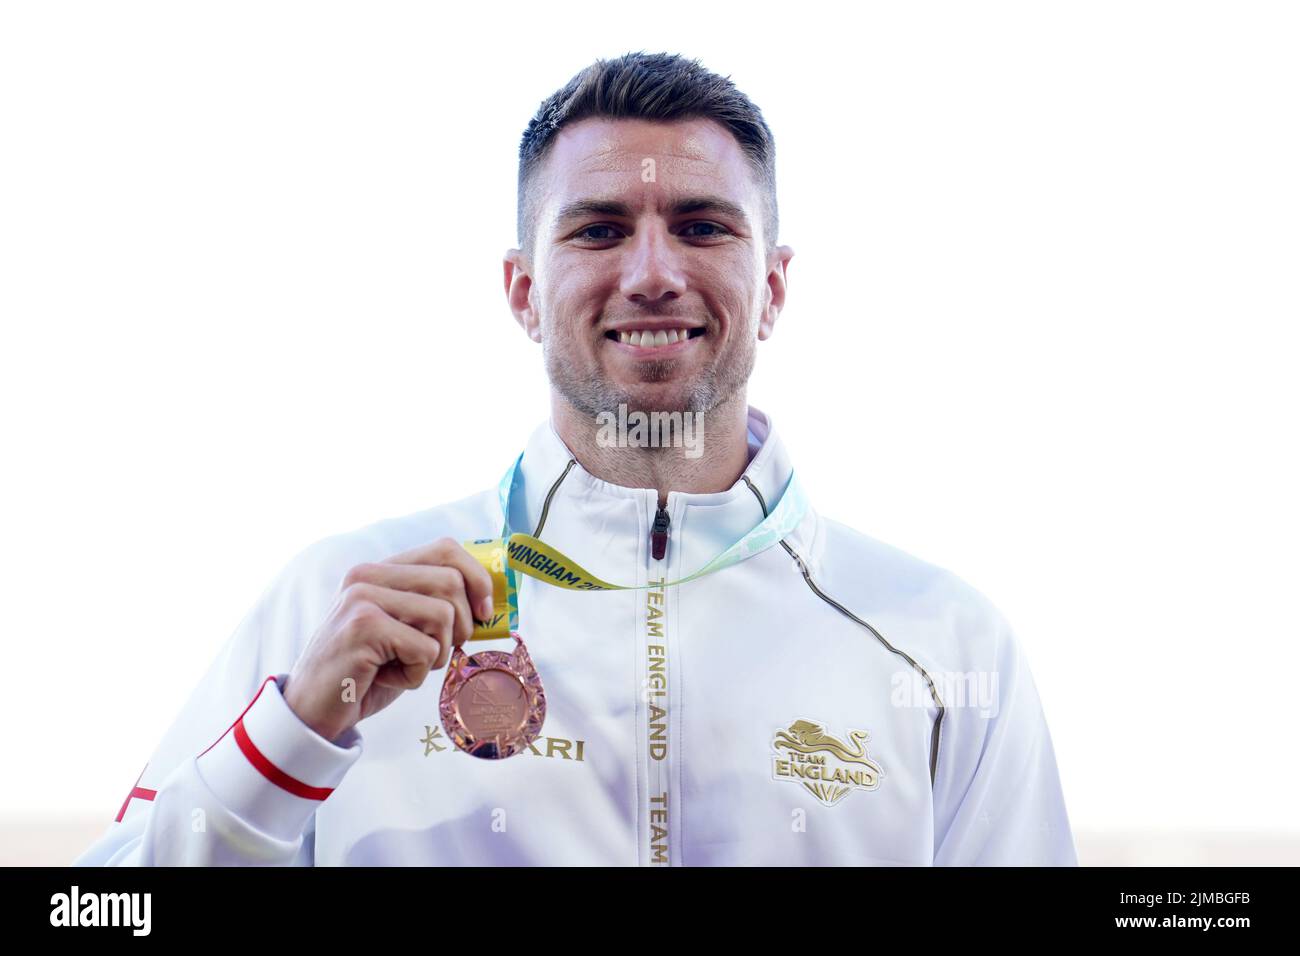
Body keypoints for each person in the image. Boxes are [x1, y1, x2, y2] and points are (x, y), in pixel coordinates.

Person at [75, 50, 1076, 867]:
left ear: (772, 286)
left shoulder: (942, 642)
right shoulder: (339, 604)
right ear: (520, 290)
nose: (651, 273)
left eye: (701, 226)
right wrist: (292, 732)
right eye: (599, 230)